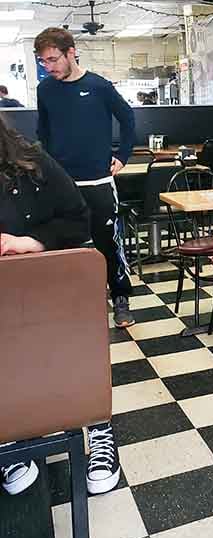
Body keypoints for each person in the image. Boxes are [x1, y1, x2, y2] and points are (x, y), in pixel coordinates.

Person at [0, 115, 121, 497]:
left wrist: (31, 242)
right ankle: (10, 436)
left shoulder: (32, 162)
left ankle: (97, 427)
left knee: (75, 351)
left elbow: (78, 220)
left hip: (51, 284)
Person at [33, 27, 136, 328]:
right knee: (64, 245)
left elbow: (127, 118)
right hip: (62, 184)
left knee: (108, 243)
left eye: (53, 59)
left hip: (98, 182)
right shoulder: (45, 90)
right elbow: (44, 132)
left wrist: (124, 155)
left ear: (70, 52)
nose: (48, 67)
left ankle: (120, 297)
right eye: (43, 62)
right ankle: (71, 302)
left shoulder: (98, 86)